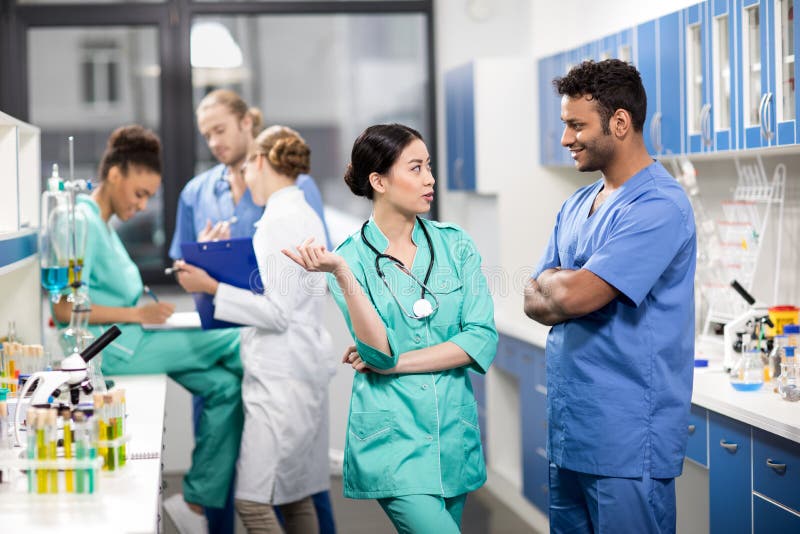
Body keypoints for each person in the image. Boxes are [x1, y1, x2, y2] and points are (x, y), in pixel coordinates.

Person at [285, 123, 497, 534]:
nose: (430, 179)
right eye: (416, 168)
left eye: (429, 166)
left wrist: (395, 365)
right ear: (378, 181)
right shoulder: (349, 260)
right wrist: (343, 274)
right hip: (394, 441)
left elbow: (481, 338)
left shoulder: (457, 245)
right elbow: (378, 352)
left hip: (452, 436)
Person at [523, 59, 696, 534]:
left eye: (576, 125)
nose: (565, 139)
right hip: (571, 434)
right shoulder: (577, 203)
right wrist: (565, 288)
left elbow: (572, 297)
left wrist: (565, 286)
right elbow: (531, 295)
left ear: (619, 123)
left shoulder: (659, 205)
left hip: (625, 441)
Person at [51, 125, 243, 533]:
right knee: (239, 338)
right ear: (115, 174)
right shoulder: (78, 219)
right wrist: (137, 314)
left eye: (148, 198)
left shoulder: (105, 227)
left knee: (226, 387)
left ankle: (194, 502)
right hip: (113, 349)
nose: (141, 206)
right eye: (139, 194)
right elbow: (65, 308)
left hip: (134, 337)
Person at [168, 89, 335, 534]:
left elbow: (277, 310)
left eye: (245, 168)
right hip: (296, 369)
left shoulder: (276, 221)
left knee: (254, 502)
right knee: (296, 495)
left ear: (259, 161)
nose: (240, 177)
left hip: (280, 378)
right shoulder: (302, 215)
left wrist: (211, 286)